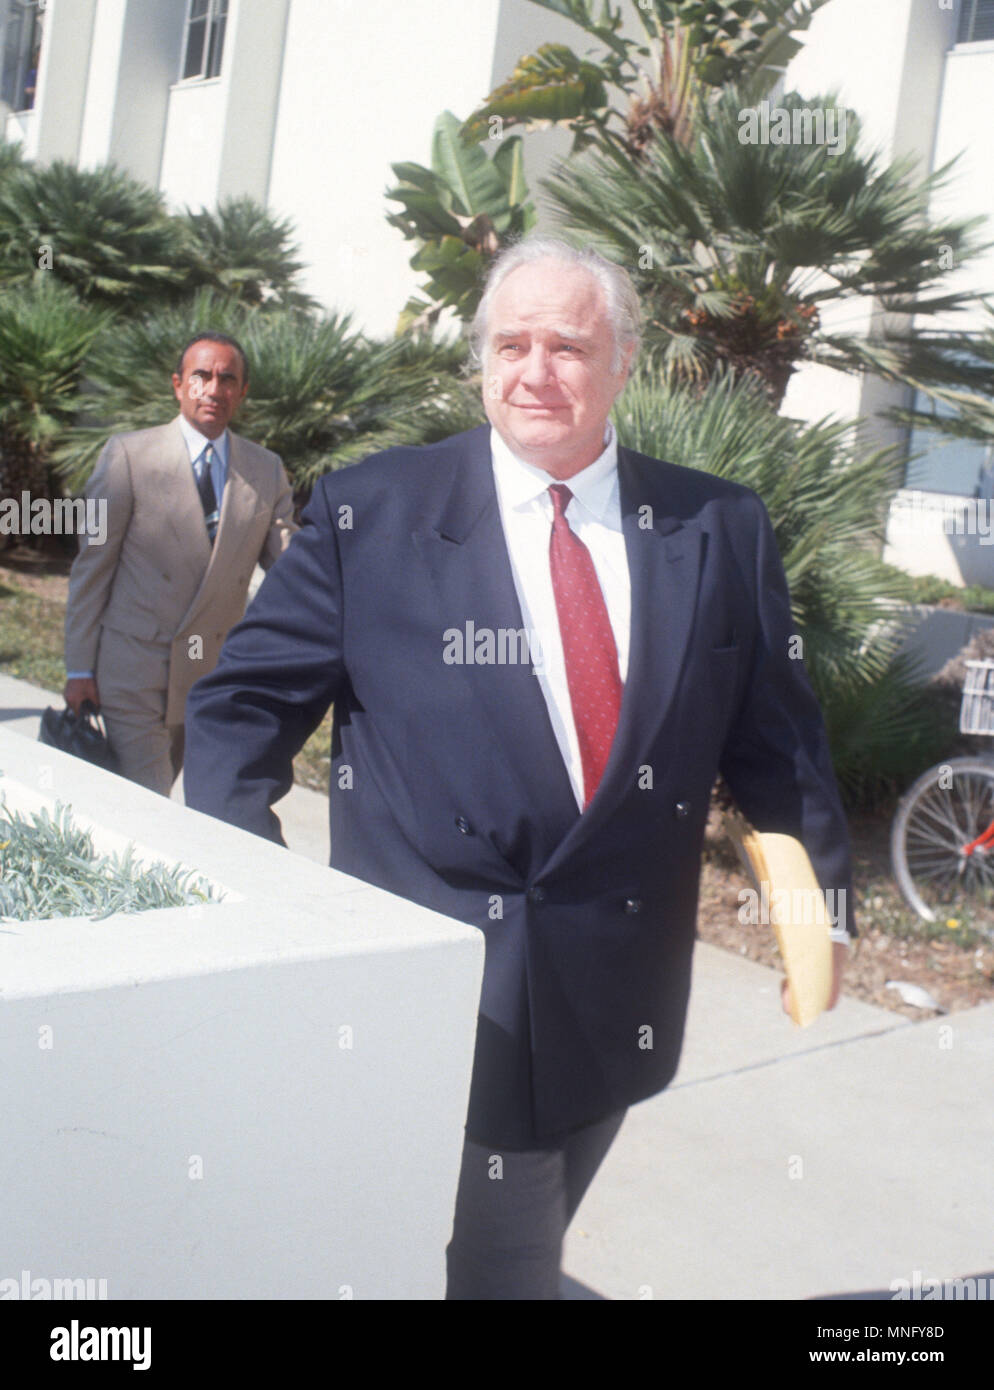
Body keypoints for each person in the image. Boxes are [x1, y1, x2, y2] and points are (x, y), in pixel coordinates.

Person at [183, 239, 853, 1299]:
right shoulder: (374, 512)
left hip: (617, 996)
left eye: (567, 345)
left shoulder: (718, 525)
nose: (535, 369)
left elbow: (775, 737)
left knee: (500, 1239)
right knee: (504, 1264)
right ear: (480, 361)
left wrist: (822, 907)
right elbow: (237, 711)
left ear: (624, 360)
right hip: (438, 993)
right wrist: (266, 916)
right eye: (511, 343)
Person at [63, 332, 297, 795]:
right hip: (132, 670)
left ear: (242, 391)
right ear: (178, 385)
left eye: (227, 379)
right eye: (201, 376)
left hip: (204, 676)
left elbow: (292, 568)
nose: (213, 389)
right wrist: (78, 669)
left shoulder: (265, 470)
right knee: (149, 800)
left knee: (156, 798)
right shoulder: (128, 456)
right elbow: (93, 568)